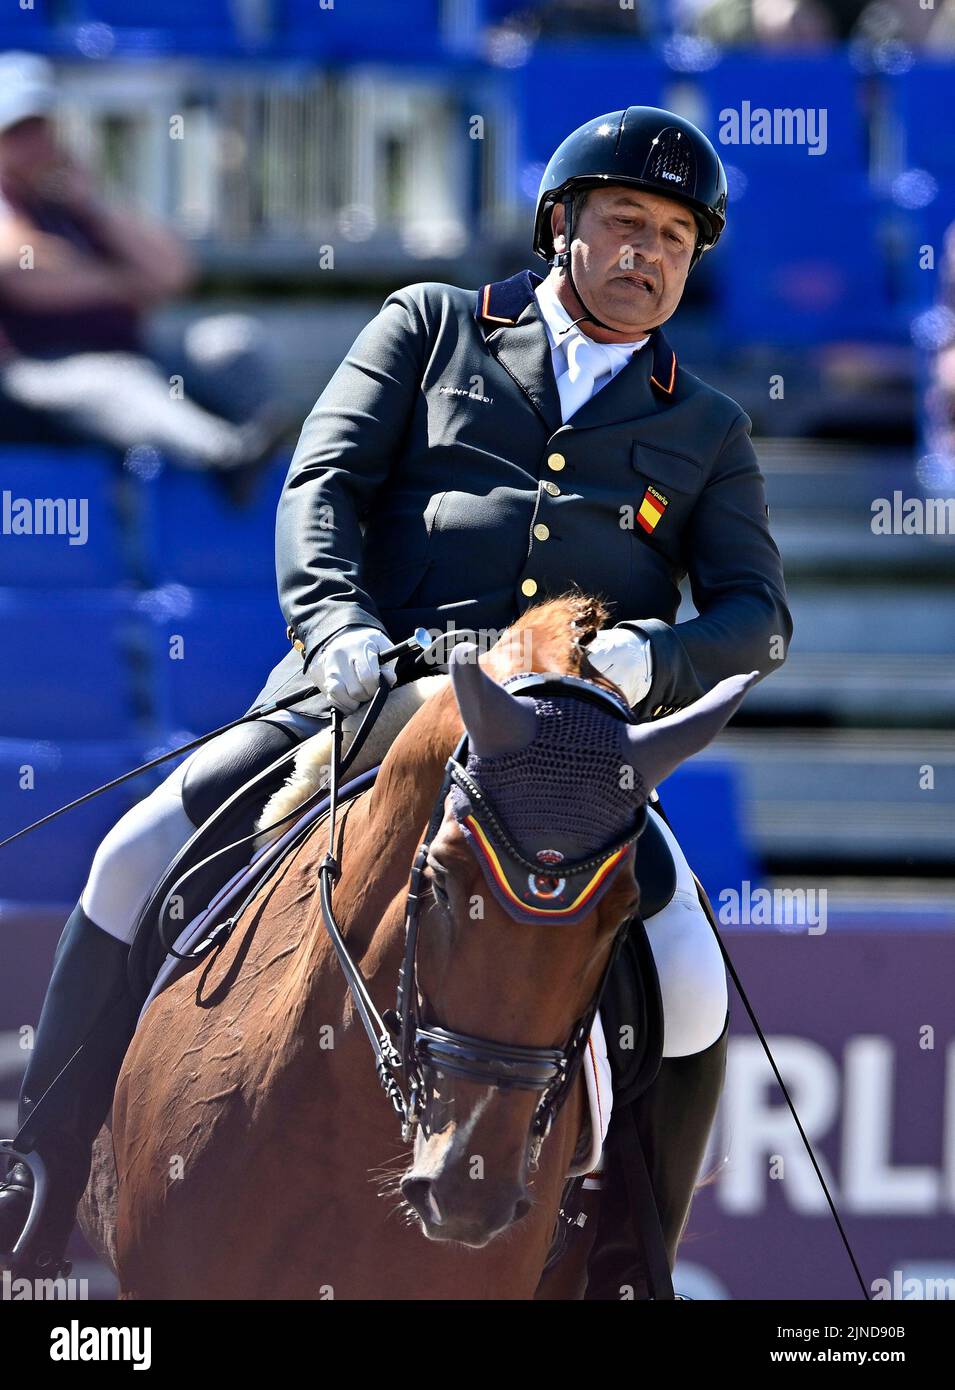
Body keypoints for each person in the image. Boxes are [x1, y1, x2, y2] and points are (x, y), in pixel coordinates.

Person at [0, 105, 792, 1291]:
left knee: (684, 968)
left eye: (676, 237)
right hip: (370, 689)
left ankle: (633, 1254)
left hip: (563, 744)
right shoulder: (428, 328)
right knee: (132, 851)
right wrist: (335, 629)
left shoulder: (709, 426)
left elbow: (756, 616)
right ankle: (42, 1172)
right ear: (560, 227)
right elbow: (320, 485)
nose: (648, 254)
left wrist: (648, 662)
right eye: (625, 222)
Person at [0, 52, 283, 501]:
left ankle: (295, 460)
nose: (34, 143)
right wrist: (124, 281)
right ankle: (228, 457)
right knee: (118, 381)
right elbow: (21, 268)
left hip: (134, 351)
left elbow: (174, 272)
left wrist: (92, 203)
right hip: (36, 371)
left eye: (40, 127)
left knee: (231, 340)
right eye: (17, 133)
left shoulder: (76, 196)